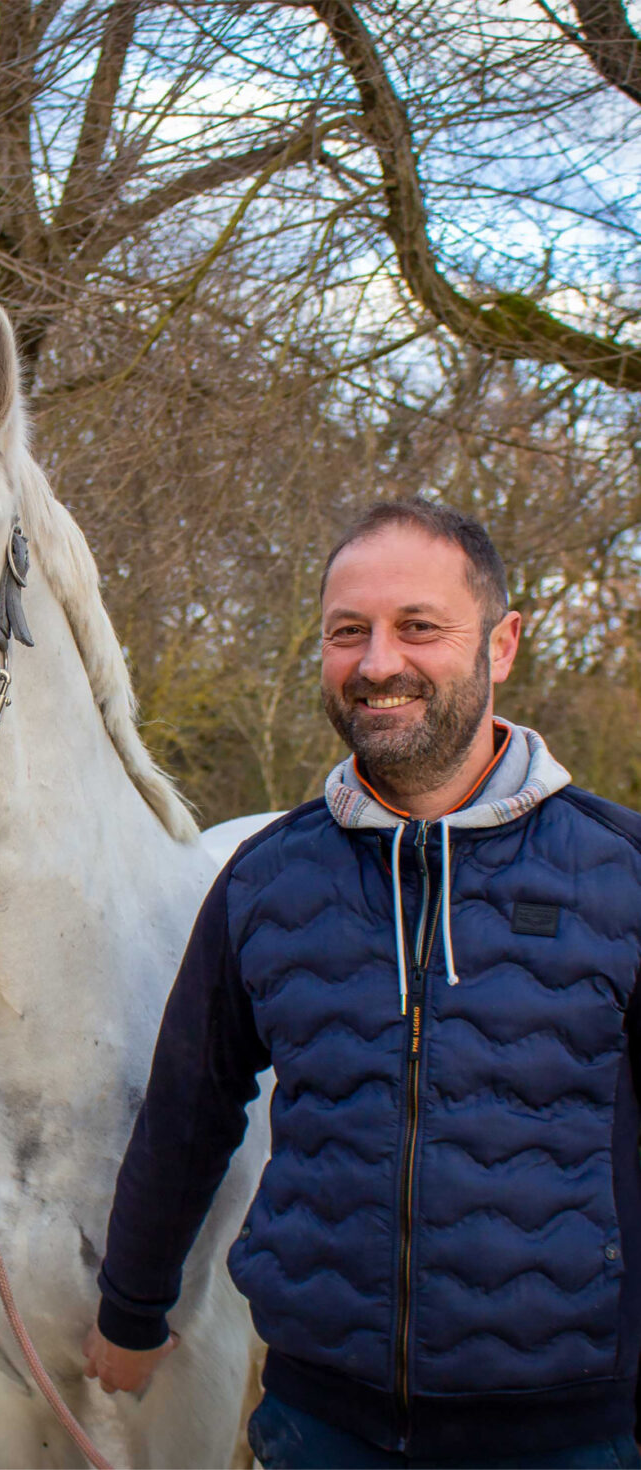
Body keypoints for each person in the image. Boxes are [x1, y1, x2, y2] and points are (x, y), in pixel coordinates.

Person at [82, 498, 641, 1469]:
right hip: (317, 1428)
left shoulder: (619, 873)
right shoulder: (264, 879)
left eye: (417, 626)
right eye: (349, 632)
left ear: (499, 644)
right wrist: (131, 1309)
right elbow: (186, 1112)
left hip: (573, 1436)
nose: (377, 661)